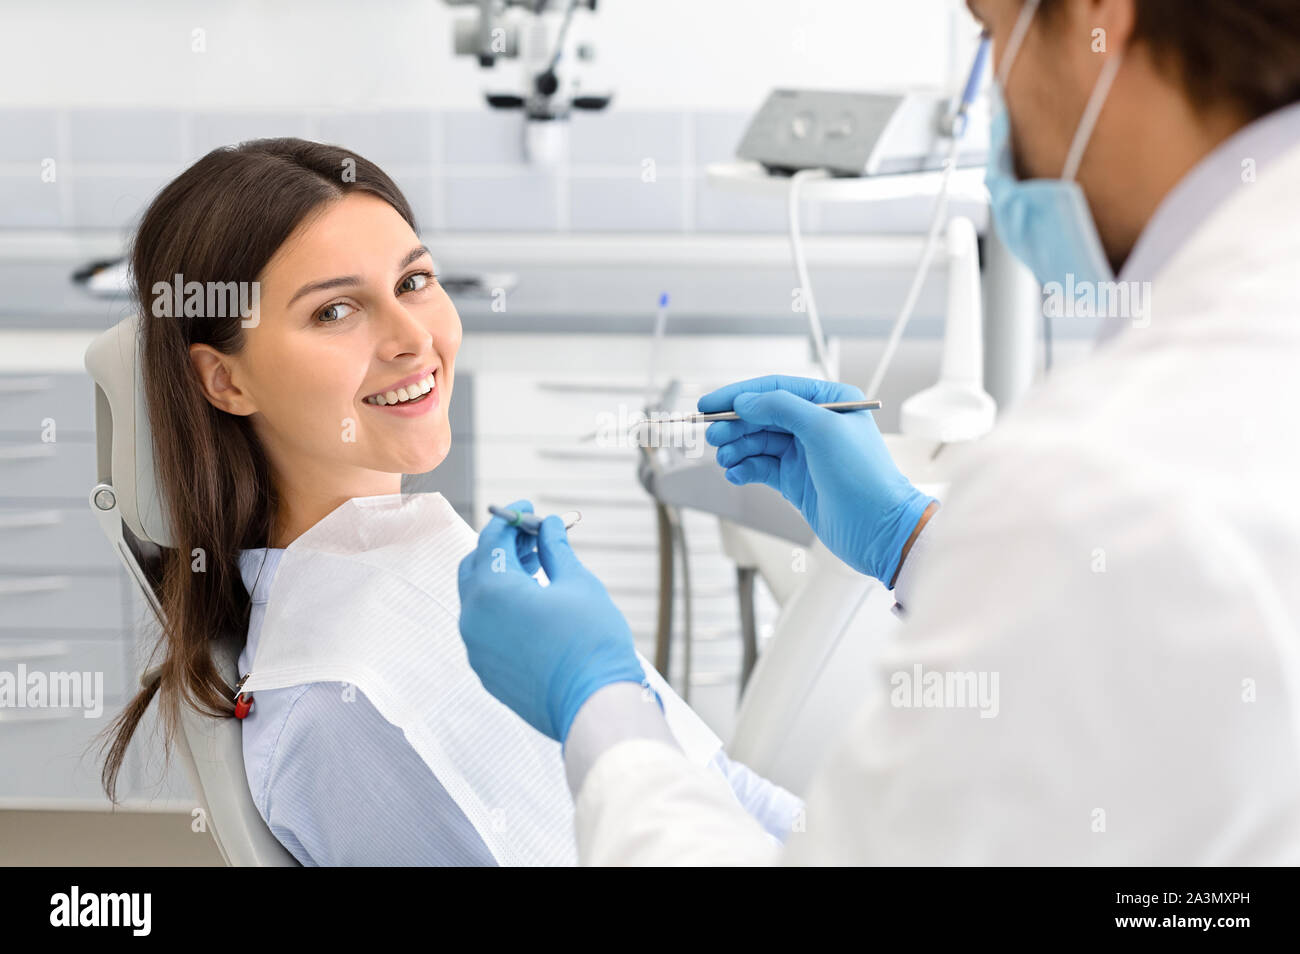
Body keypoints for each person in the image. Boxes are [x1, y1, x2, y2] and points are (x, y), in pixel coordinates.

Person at [458, 0, 1300, 864]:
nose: (995, 100)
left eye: (990, 34)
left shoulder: (1100, 471)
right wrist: (913, 542)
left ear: (1097, 18)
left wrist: (596, 703)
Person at [99, 138, 798, 865]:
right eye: (336, 311)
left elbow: (718, 791)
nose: (412, 339)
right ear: (225, 382)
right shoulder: (340, 708)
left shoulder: (426, 560)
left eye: (413, 281)